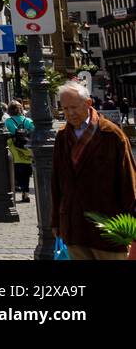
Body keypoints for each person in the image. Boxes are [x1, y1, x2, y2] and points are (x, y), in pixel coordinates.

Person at [52, 79, 136, 260]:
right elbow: (57, 182)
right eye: (65, 109)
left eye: (74, 107)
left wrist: (131, 226)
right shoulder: (62, 136)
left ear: (88, 103)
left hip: (108, 227)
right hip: (74, 226)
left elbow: (129, 182)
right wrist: (56, 221)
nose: (69, 113)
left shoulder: (112, 135)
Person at [5, 100, 35, 204]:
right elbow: (34, 131)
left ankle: (13, 192)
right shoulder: (28, 120)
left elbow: (6, 133)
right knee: (26, 173)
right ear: (21, 109)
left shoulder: (8, 121)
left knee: (15, 172)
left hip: (14, 150)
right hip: (27, 150)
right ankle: (25, 193)